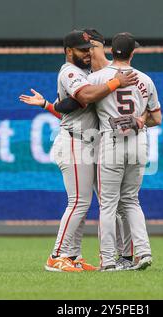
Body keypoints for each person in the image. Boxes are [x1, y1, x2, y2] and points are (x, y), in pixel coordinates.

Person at [19, 30, 137, 272]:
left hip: (87, 143)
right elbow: (85, 96)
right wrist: (115, 82)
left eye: (88, 48)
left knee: (85, 203)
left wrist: (46, 104)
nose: (87, 53)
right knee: (78, 202)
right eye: (82, 50)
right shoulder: (70, 71)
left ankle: (73, 256)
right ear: (68, 51)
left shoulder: (87, 73)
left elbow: (68, 109)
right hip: (75, 141)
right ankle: (56, 256)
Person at [87, 32, 163, 271]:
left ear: (111, 51)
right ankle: (144, 253)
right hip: (138, 141)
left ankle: (108, 260)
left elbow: (83, 104)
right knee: (131, 201)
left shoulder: (97, 77)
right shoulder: (146, 79)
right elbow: (157, 118)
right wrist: (140, 120)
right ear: (132, 53)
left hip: (111, 141)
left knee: (108, 205)